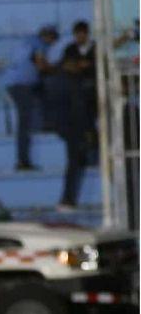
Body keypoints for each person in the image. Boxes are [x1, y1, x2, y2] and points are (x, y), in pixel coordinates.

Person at [55, 20, 98, 210]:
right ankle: (68, 199)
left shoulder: (95, 49)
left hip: (91, 113)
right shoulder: (70, 49)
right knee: (75, 159)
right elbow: (69, 66)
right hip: (77, 119)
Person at [5, 24, 58, 171]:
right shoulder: (39, 45)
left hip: (15, 83)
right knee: (25, 122)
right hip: (22, 85)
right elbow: (41, 65)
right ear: (48, 37)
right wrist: (57, 69)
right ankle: (23, 160)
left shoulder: (28, 41)